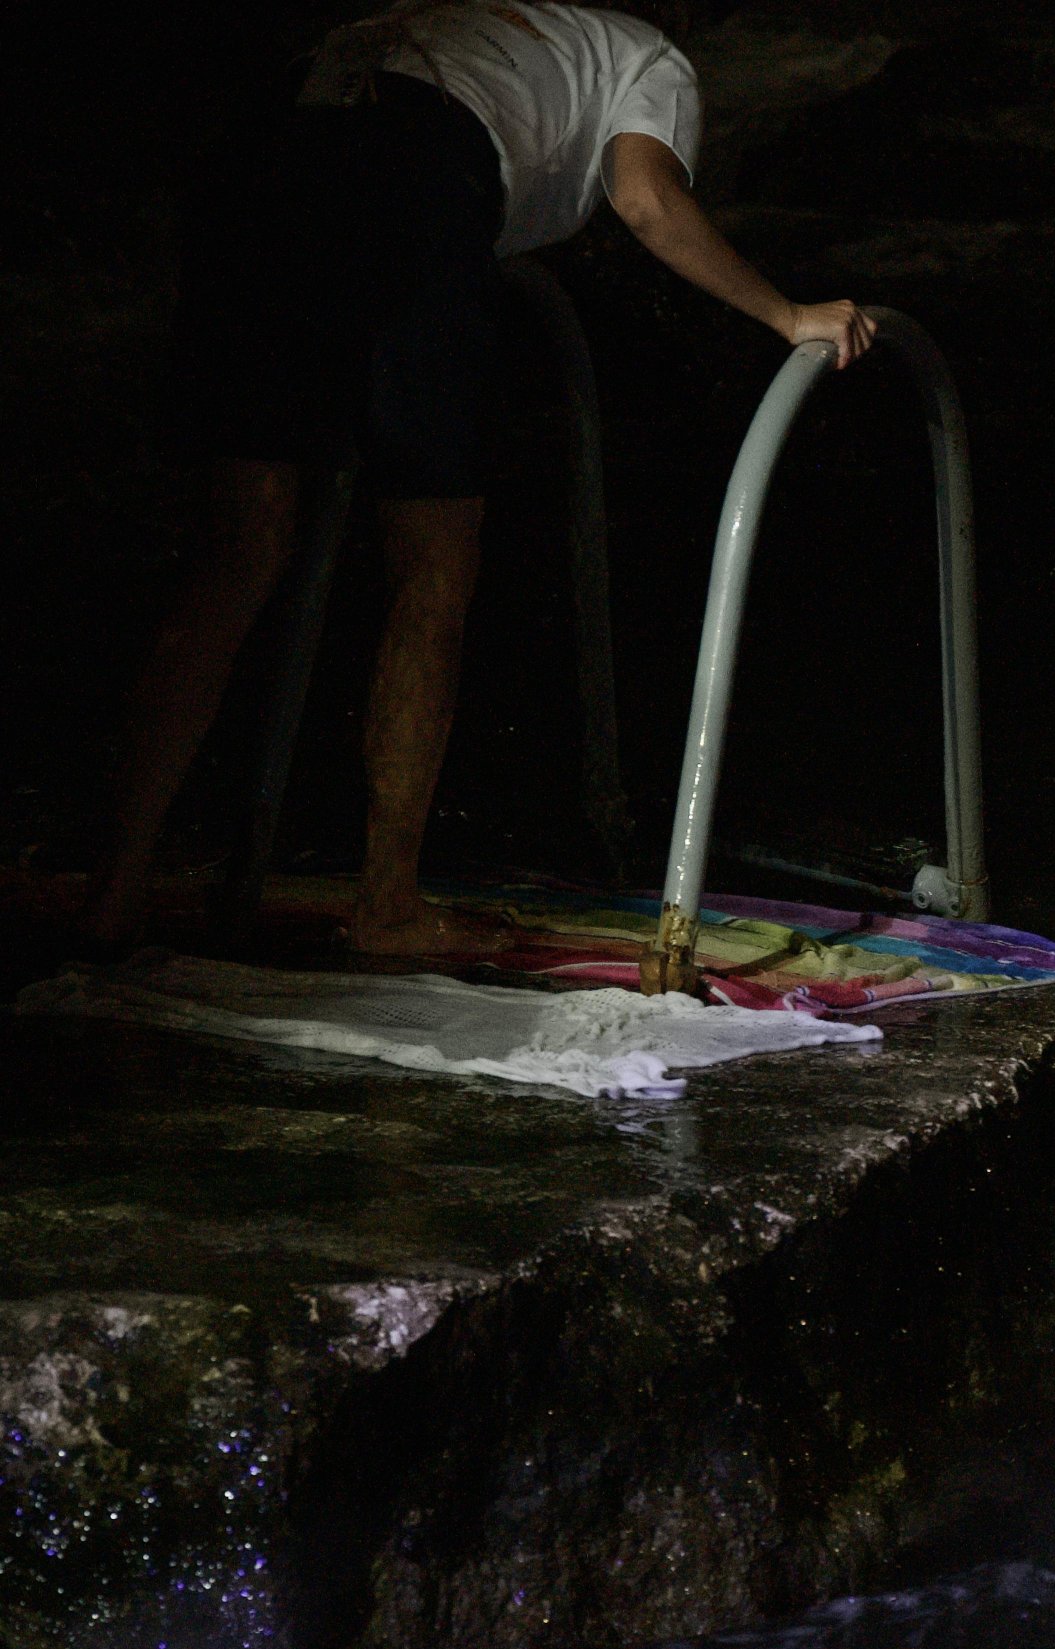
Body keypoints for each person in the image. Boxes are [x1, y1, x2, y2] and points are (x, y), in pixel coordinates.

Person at [80, 2, 875, 955]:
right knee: (432, 560)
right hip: (413, 175)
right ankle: (387, 905)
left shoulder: (461, 21)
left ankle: (108, 901)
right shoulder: (648, 59)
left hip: (263, 160)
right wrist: (788, 315)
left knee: (239, 549)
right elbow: (647, 201)